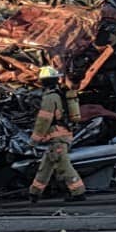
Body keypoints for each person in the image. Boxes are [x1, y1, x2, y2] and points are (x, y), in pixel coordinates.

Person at [28, 64, 85, 203]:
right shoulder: (59, 94)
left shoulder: (49, 98)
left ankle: (78, 192)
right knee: (46, 165)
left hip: (56, 136)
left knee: (63, 165)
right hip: (61, 134)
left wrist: (34, 140)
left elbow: (43, 121)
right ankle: (34, 193)